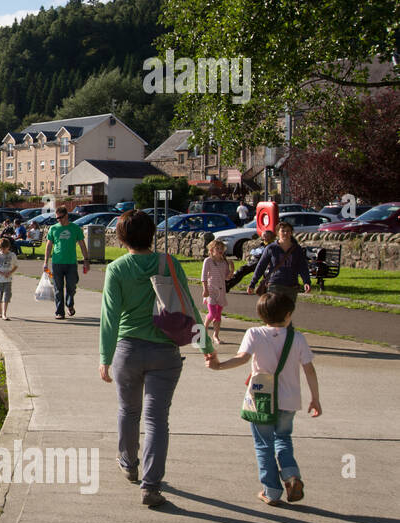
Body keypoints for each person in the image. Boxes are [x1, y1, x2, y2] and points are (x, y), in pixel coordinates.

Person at [99, 211, 215, 508]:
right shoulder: (169, 263)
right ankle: (151, 486)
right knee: (156, 420)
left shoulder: (116, 269)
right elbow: (189, 307)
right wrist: (205, 346)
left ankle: (128, 462)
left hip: (128, 351)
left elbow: (109, 318)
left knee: (128, 410)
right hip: (165, 353)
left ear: (122, 237)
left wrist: (105, 357)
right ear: (152, 234)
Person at [206, 292, 321, 506]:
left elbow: (242, 358)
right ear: (288, 315)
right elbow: (309, 370)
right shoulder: (297, 338)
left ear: (261, 315)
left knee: (263, 445)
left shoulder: (254, 333)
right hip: (289, 400)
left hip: (261, 398)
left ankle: (271, 491)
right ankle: (291, 475)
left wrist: (219, 365)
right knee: (283, 439)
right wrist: (315, 398)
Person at [43, 206, 90, 319]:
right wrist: (45, 262)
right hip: (57, 263)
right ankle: (59, 311)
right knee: (58, 288)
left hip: (71, 263)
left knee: (71, 286)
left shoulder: (75, 228)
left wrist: (86, 260)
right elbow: (49, 246)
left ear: (66, 216)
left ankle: (70, 304)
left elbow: (82, 244)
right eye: (57, 218)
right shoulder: (53, 229)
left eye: (61, 217)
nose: (59, 220)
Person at [248, 221, 311, 303]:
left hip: (292, 285)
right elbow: (261, 266)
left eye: (288, 231)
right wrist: (252, 283)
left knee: (287, 311)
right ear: (278, 233)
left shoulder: (297, 249)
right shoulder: (271, 248)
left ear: (291, 233)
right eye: (283, 231)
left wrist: (306, 281)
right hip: (275, 283)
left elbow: (303, 266)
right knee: (275, 310)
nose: (285, 233)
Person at [200, 238, 235, 344]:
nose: (220, 250)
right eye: (217, 248)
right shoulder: (208, 261)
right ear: (211, 250)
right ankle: (204, 330)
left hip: (221, 290)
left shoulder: (224, 262)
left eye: (221, 248)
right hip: (211, 290)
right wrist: (205, 289)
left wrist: (232, 269)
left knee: (218, 314)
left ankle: (216, 335)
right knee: (212, 313)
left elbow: (227, 278)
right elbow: (204, 276)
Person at [0, 237, 18, 320]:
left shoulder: (12, 255)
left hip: (8, 279)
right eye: (1, 249)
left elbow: (16, 266)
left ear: (8, 247)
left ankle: (4, 313)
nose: (3, 250)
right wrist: (1, 273)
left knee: (7, 296)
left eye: (5, 249)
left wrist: (10, 272)